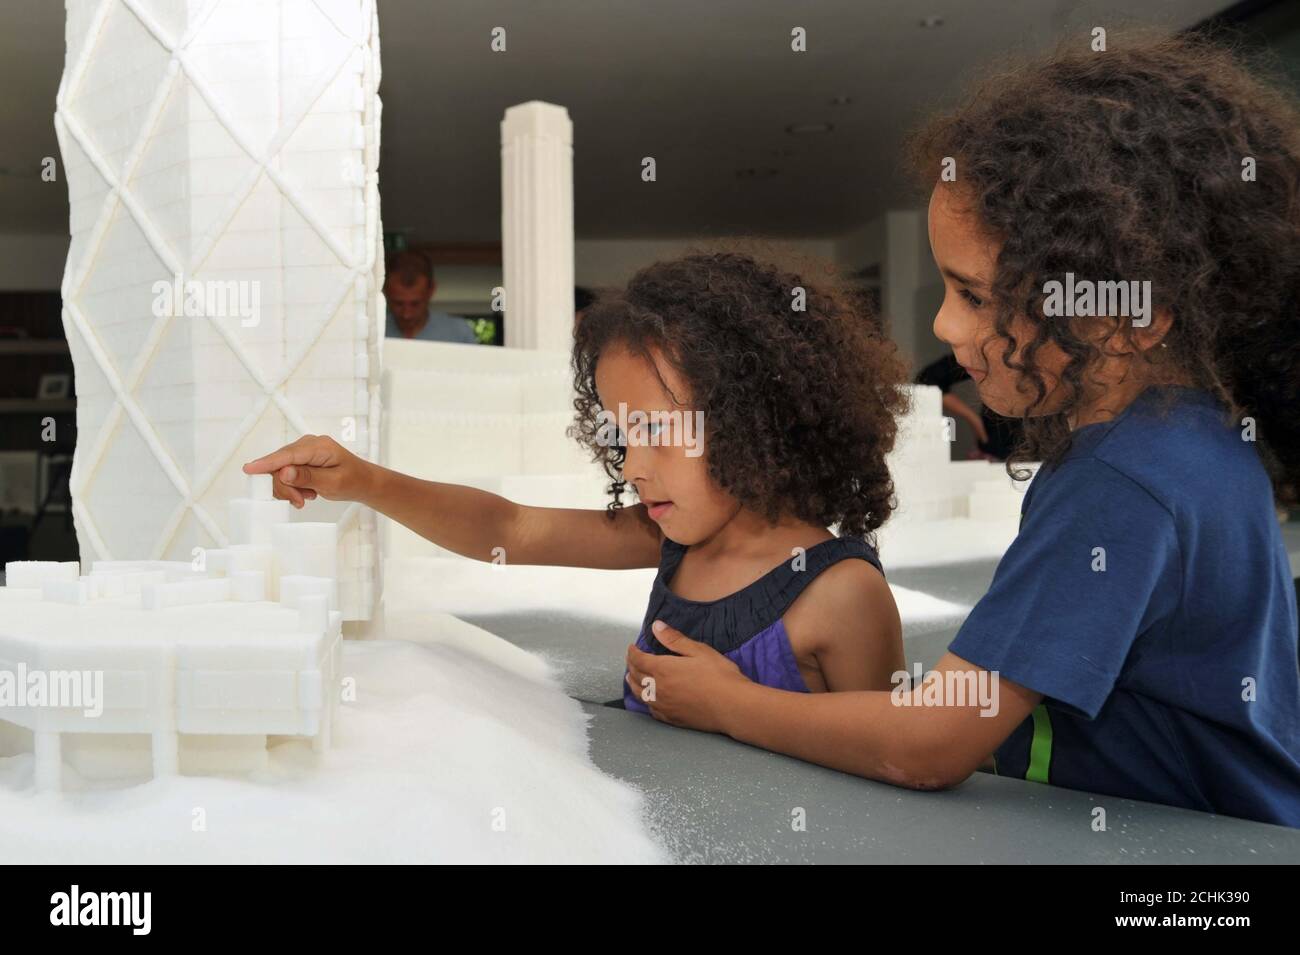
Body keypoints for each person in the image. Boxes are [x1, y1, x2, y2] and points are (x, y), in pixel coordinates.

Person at [626, 33, 1300, 827]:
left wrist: (729, 702)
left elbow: (928, 747)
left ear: (1129, 317)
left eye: (975, 295)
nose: (944, 322)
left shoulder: (1119, 483)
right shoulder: (1190, 436)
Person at [246, 251, 908, 709]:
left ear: (754, 419)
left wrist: (734, 707)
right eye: (622, 435)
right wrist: (364, 480)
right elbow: (510, 528)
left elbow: (892, 760)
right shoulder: (672, 542)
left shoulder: (841, 594)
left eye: (656, 430)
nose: (632, 465)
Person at [915, 353, 1020, 460]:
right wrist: (973, 419)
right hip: (998, 448)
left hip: (1032, 446)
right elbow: (927, 379)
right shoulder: (990, 353)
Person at [384, 250, 478, 343]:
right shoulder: (373, 331)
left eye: (415, 304)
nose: (407, 315)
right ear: (385, 291)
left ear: (431, 290)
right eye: (398, 304)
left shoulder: (459, 333)